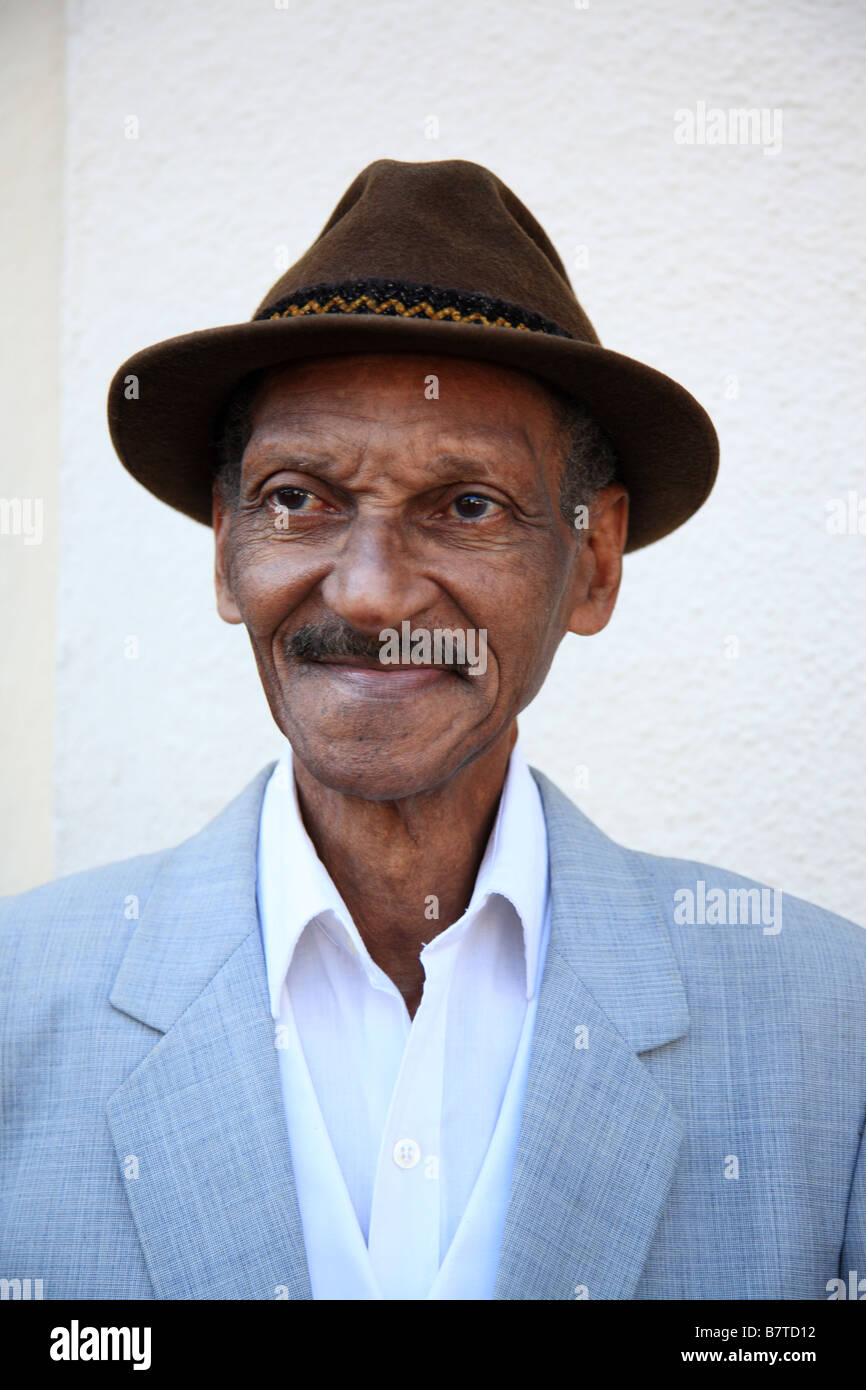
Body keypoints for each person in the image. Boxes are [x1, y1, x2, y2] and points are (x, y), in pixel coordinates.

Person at [1, 158, 864, 1301]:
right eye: (297, 496)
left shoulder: (826, 1029)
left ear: (591, 564)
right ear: (224, 550)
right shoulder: (18, 1003)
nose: (368, 594)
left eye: (465, 506)